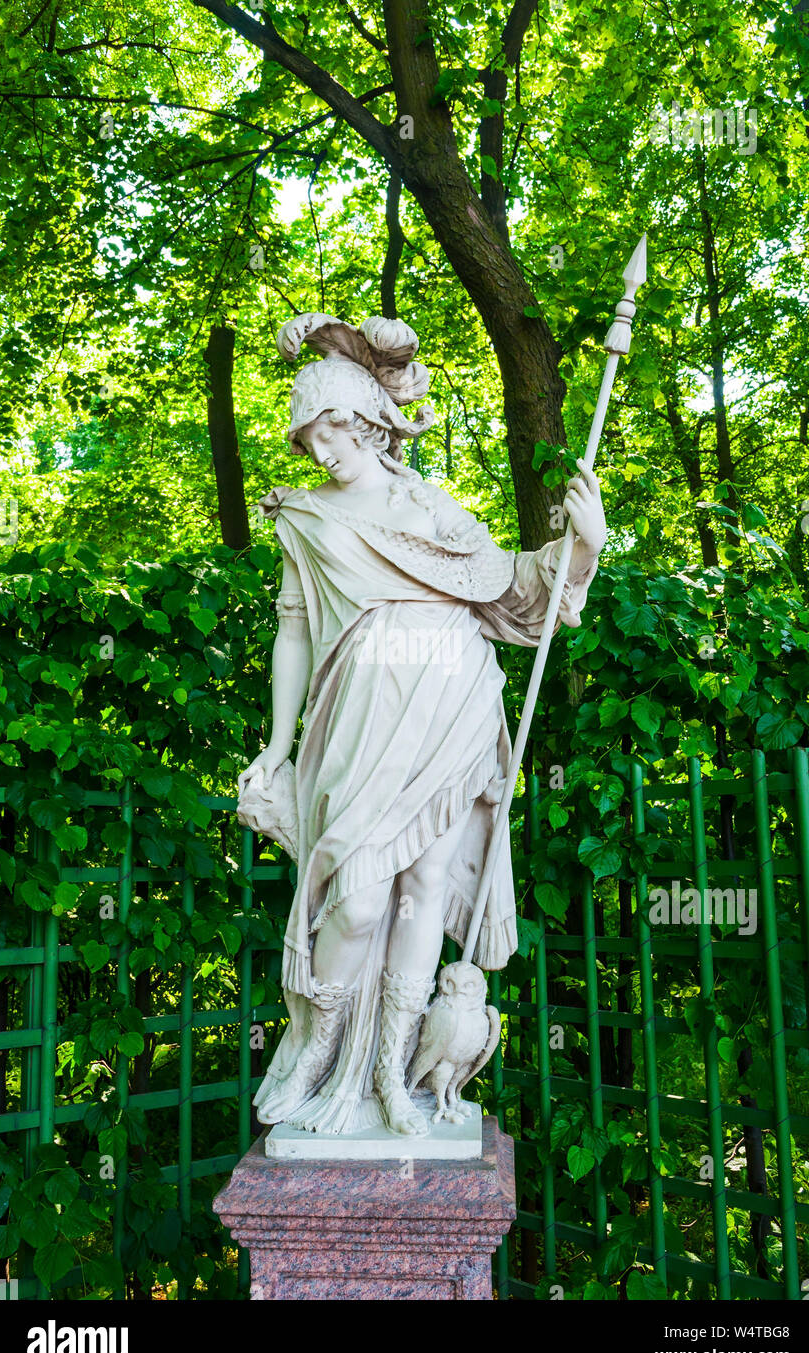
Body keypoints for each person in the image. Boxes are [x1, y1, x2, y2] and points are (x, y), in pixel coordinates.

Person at [239, 312, 607, 1136]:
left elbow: (519, 591)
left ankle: (393, 1077)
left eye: (327, 429)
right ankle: (317, 1052)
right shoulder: (302, 518)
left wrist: (583, 545)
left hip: (454, 705)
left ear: (367, 421)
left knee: (423, 892)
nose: (316, 450)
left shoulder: (433, 509)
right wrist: (276, 743)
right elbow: (294, 629)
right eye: (305, 438)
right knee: (359, 902)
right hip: (359, 720)